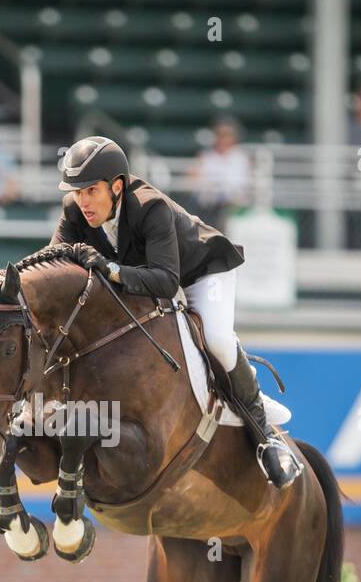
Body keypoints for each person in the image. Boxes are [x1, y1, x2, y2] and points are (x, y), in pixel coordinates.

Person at [50, 136, 304, 489]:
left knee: (215, 339)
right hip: (144, 277)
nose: (83, 201)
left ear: (117, 186)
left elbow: (167, 281)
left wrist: (110, 270)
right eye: (77, 192)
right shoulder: (75, 209)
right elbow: (54, 265)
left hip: (198, 271)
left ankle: (265, 436)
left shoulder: (149, 207)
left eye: (91, 190)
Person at [191, 117, 251, 230]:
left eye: (226, 135)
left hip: (232, 205)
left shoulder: (241, 158)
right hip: (207, 204)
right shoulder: (206, 156)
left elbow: (241, 187)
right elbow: (195, 182)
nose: (222, 138)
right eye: (219, 134)